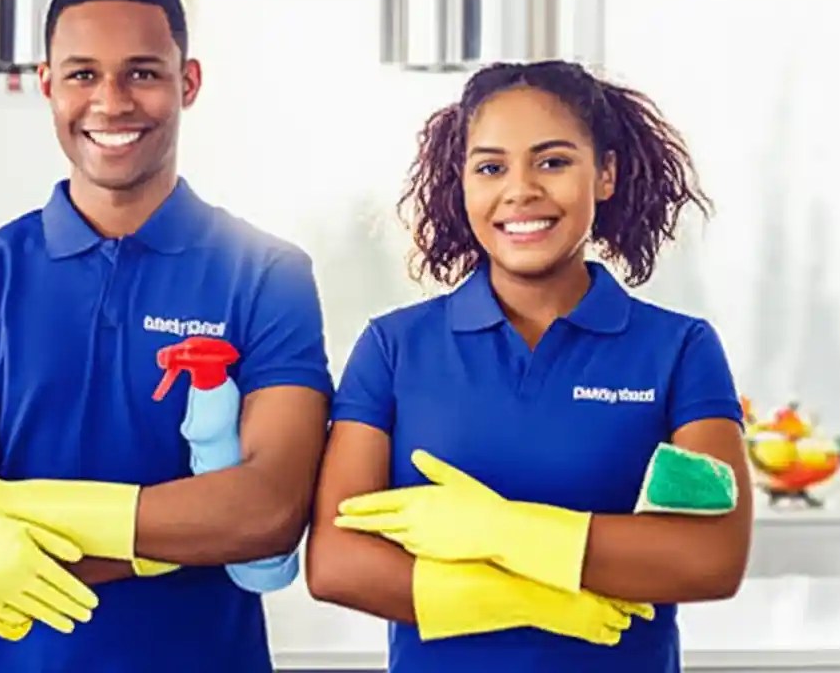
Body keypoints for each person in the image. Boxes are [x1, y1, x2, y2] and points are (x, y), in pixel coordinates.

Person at [0, 0, 332, 673]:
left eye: (143, 73)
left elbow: (268, 512)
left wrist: (20, 524)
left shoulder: (267, 273)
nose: (112, 102)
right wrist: (180, 529)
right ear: (48, 83)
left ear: (189, 83)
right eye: (84, 74)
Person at [305, 59, 753, 672]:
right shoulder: (394, 347)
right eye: (491, 167)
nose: (520, 190)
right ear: (461, 184)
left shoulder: (677, 349)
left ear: (606, 175)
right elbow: (335, 562)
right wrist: (526, 598)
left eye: (553, 161)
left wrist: (499, 530)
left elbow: (710, 558)